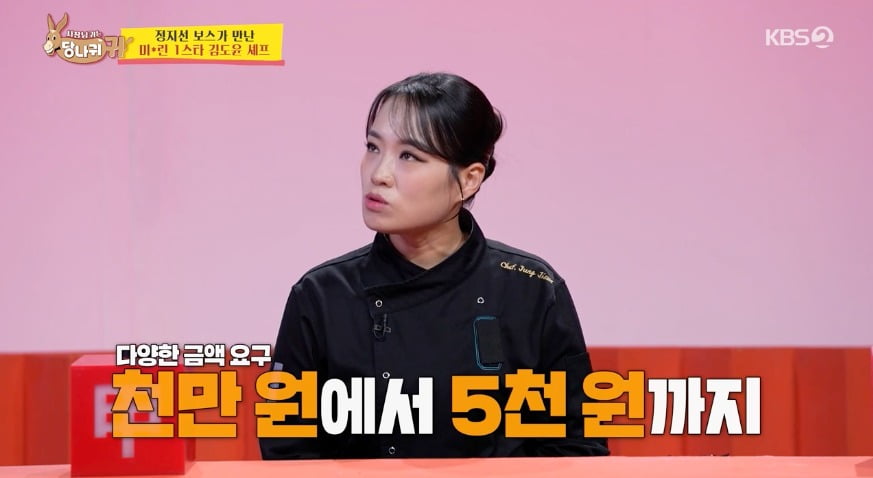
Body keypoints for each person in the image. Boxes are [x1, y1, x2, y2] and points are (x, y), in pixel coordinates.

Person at [260, 72, 609, 459]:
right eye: (373, 147)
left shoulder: (532, 289)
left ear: (470, 179)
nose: (378, 174)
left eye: (409, 156)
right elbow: (286, 450)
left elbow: (577, 447)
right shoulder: (321, 295)